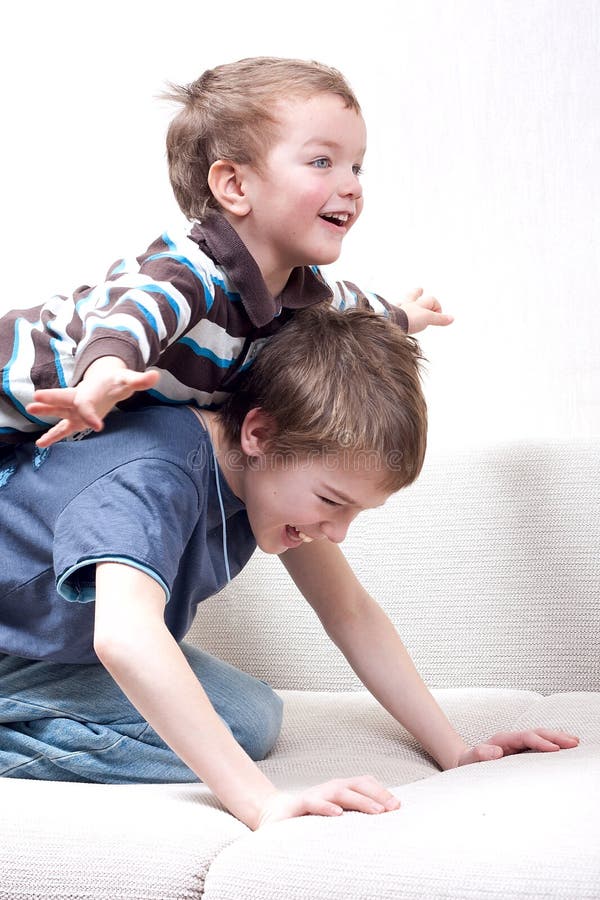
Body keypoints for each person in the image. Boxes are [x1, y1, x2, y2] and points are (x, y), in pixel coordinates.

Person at [0, 305, 578, 830]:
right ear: (259, 433)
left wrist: (456, 752)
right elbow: (127, 637)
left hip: (43, 650)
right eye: (332, 500)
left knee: (250, 715)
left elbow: (347, 609)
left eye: (356, 510)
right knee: (237, 726)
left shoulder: (268, 479)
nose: (338, 530)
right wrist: (260, 802)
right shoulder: (155, 471)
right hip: (16, 644)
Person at [0, 56, 452, 453]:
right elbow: (132, 317)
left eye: (356, 166)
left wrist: (404, 315)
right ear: (236, 187)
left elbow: (350, 305)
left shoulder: (298, 296)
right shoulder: (187, 269)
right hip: (20, 375)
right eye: (322, 162)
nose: (352, 185)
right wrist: (104, 375)